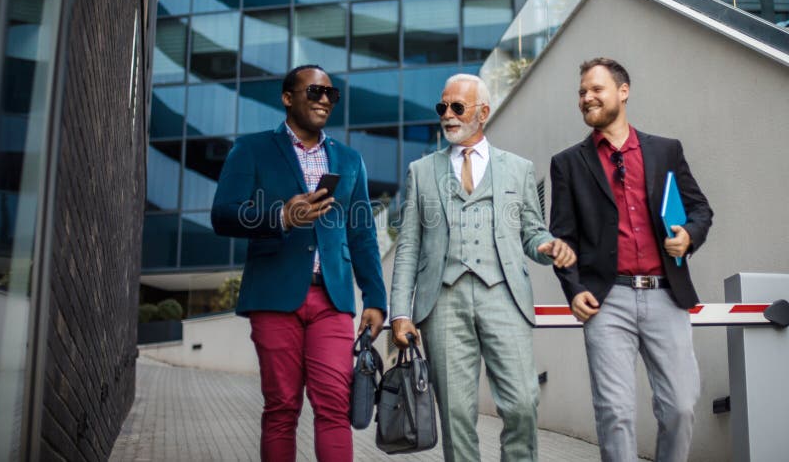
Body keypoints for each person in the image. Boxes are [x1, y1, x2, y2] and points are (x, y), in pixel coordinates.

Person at [390, 74, 576, 461]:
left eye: (458, 107)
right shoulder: (421, 172)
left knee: (523, 403)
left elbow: (532, 232)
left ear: (483, 113)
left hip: (504, 296)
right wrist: (400, 314)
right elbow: (408, 247)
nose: (448, 116)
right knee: (456, 416)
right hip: (442, 302)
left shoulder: (519, 169)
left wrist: (547, 246)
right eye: (443, 108)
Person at [211, 65, 387, 462]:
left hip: (332, 299)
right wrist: (280, 217)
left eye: (330, 93)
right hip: (274, 294)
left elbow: (361, 234)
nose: (324, 99)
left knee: (334, 408)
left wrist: (375, 297)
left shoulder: (349, 159)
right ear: (288, 98)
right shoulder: (252, 148)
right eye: (314, 91)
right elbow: (223, 214)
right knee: (282, 408)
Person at [549, 57, 713, 462]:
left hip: (666, 295)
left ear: (623, 91)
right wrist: (573, 288)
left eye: (596, 90)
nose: (587, 97)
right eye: (582, 92)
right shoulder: (567, 163)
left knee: (680, 406)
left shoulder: (665, 151)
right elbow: (563, 237)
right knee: (615, 414)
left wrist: (689, 235)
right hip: (607, 300)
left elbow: (700, 210)